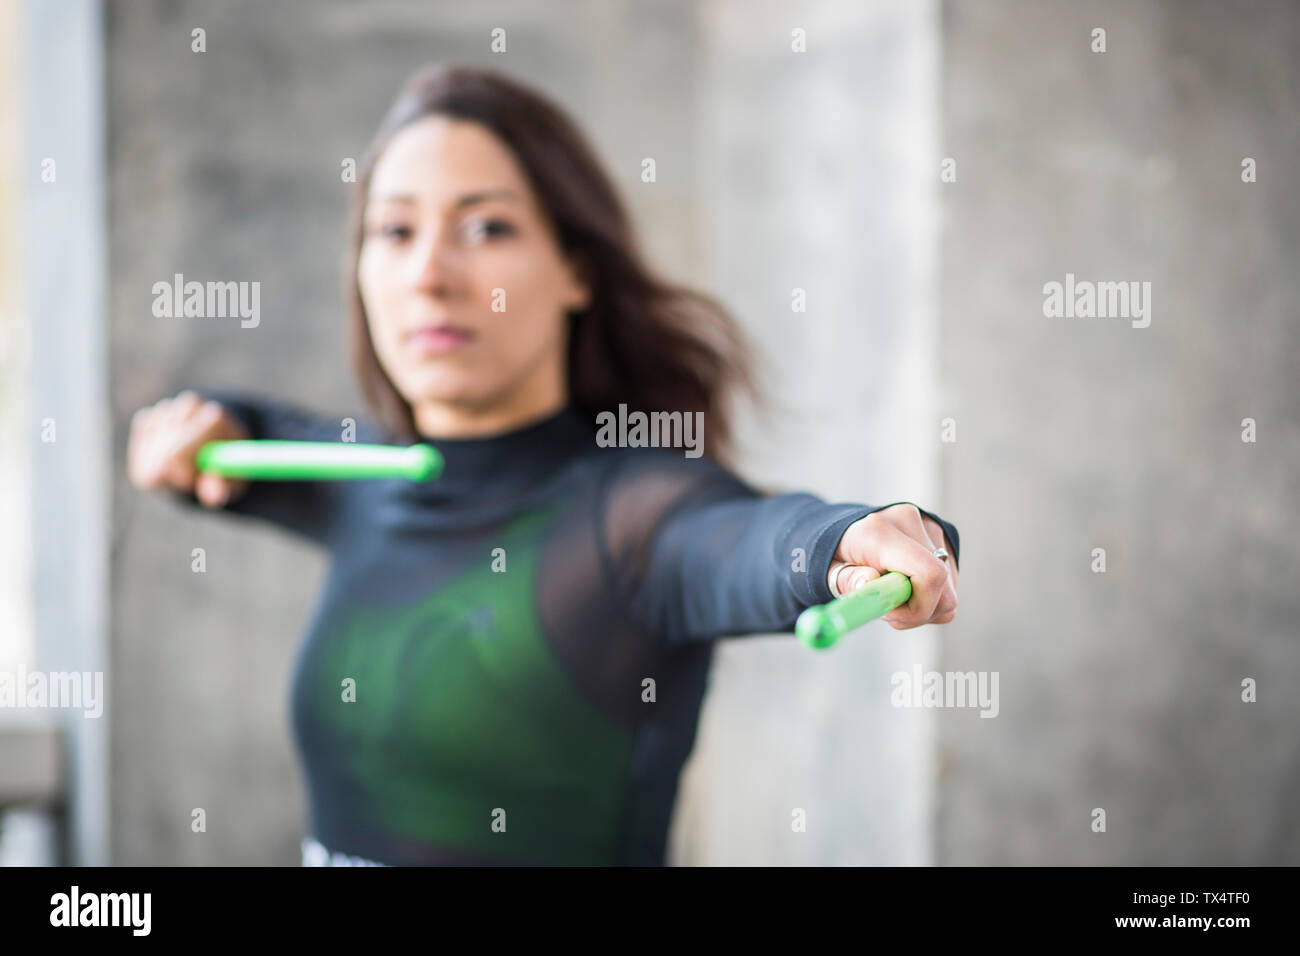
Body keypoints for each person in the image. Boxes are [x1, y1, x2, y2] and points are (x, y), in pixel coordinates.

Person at [126, 64, 960, 866]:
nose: (430, 275)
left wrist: (842, 541)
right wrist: (199, 422)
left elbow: (741, 537)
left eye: (486, 227)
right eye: (395, 231)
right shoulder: (356, 475)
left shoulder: (633, 515)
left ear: (575, 271)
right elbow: (245, 431)